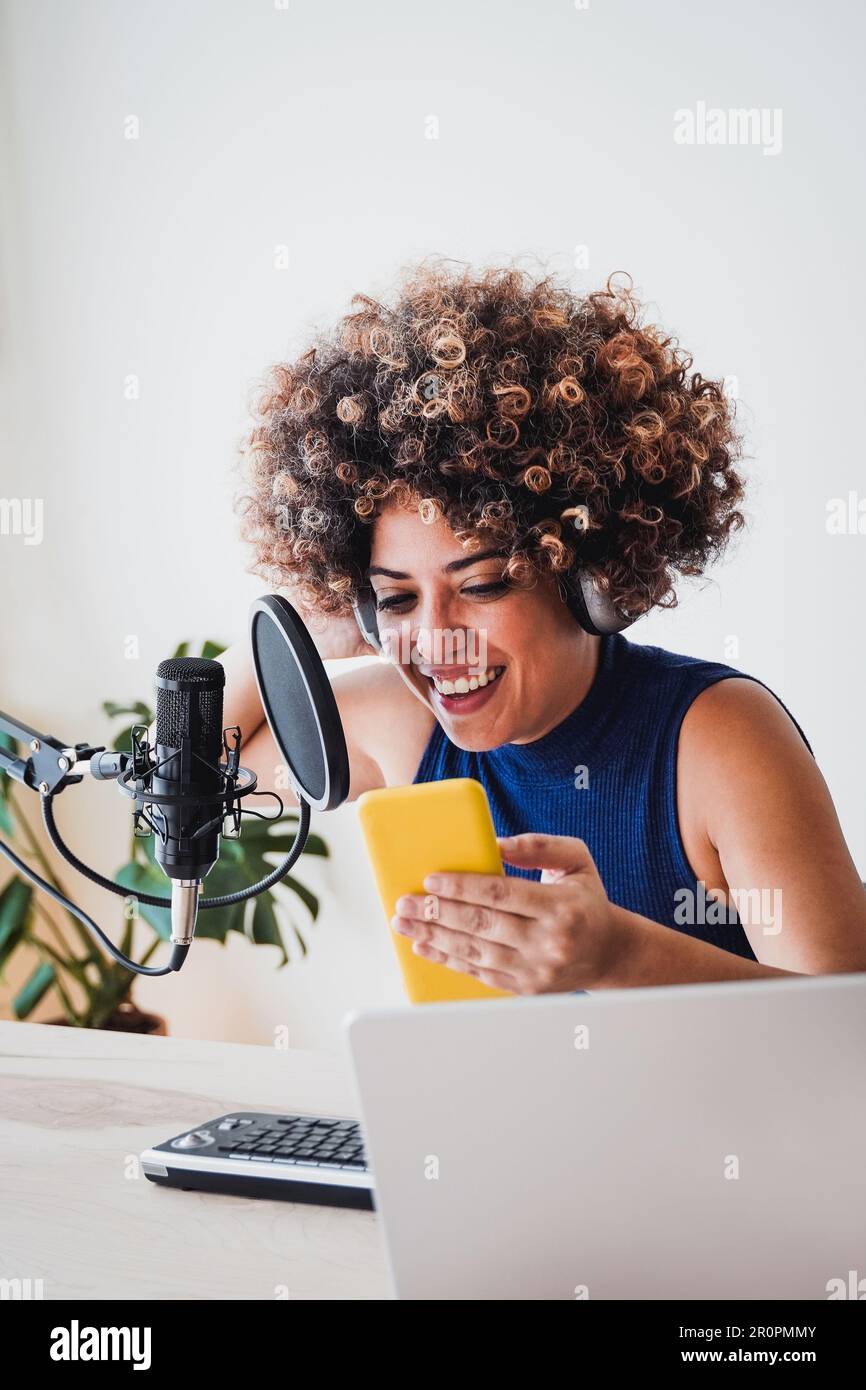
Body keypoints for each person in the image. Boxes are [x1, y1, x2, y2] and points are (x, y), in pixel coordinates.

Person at [220, 259, 866, 993]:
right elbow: (190, 773)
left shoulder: (718, 738)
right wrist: (296, 625)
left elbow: (850, 1038)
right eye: (396, 599)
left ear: (589, 577)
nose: (436, 640)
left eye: (484, 585)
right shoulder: (403, 729)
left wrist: (623, 958)